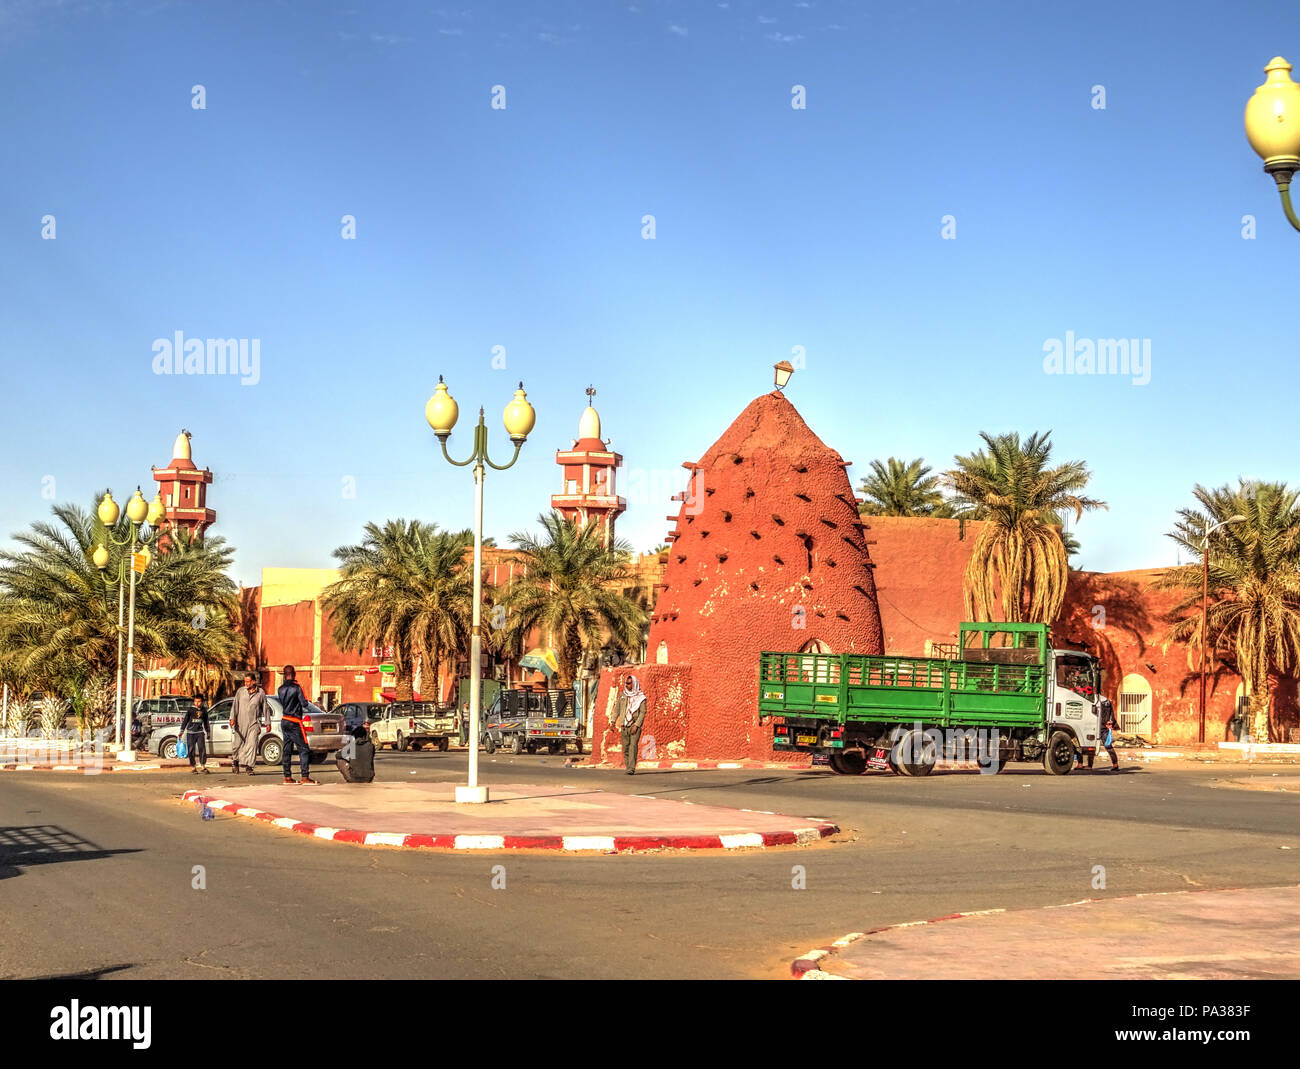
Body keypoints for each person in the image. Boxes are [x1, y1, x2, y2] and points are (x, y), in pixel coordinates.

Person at [276, 665, 316, 785]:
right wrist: (306, 700)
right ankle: (305, 776)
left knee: (287, 749)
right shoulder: (297, 687)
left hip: (284, 720)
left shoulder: (280, 689)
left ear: (284, 674)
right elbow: (304, 703)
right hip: (294, 721)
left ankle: (287, 777)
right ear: (294, 674)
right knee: (303, 749)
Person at [231, 671, 269, 775]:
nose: (246, 683)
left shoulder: (260, 693)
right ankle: (235, 761)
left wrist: (267, 722)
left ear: (253, 681)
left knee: (252, 744)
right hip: (240, 722)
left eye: (248, 681)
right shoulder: (240, 691)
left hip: (254, 723)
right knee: (237, 745)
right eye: (245, 682)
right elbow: (235, 705)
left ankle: (249, 767)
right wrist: (232, 718)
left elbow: (265, 708)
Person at [612, 674, 648, 775]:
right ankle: (628, 766)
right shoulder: (623, 695)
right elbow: (617, 709)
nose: (627, 685)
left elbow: (643, 712)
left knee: (633, 747)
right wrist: (613, 721)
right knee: (625, 748)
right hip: (624, 726)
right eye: (626, 683)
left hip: (634, 726)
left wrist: (637, 725)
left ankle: (631, 768)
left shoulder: (641, 698)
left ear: (634, 683)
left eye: (629, 683)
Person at [181, 695, 210, 774]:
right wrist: (181, 731)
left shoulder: (204, 711)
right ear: (194, 702)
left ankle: (203, 766)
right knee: (191, 750)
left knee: (202, 749)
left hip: (200, 732)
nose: (197, 703)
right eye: (196, 701)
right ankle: (193, 767)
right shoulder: (190, 710)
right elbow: (185, 721)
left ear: (202, 702)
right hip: (190, 733)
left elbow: (206, 722)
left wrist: (208, 732)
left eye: (199, 701)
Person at [1099, 695, 1120, 773]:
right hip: (1102, 726)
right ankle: (1115, 764)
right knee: (1108, 746)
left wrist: (1109, 723)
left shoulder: (1103, 701)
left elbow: (1109, 714)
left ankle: (1115, 764)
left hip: (1102, 726)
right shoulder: (1105, 701)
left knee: (1108, 745)